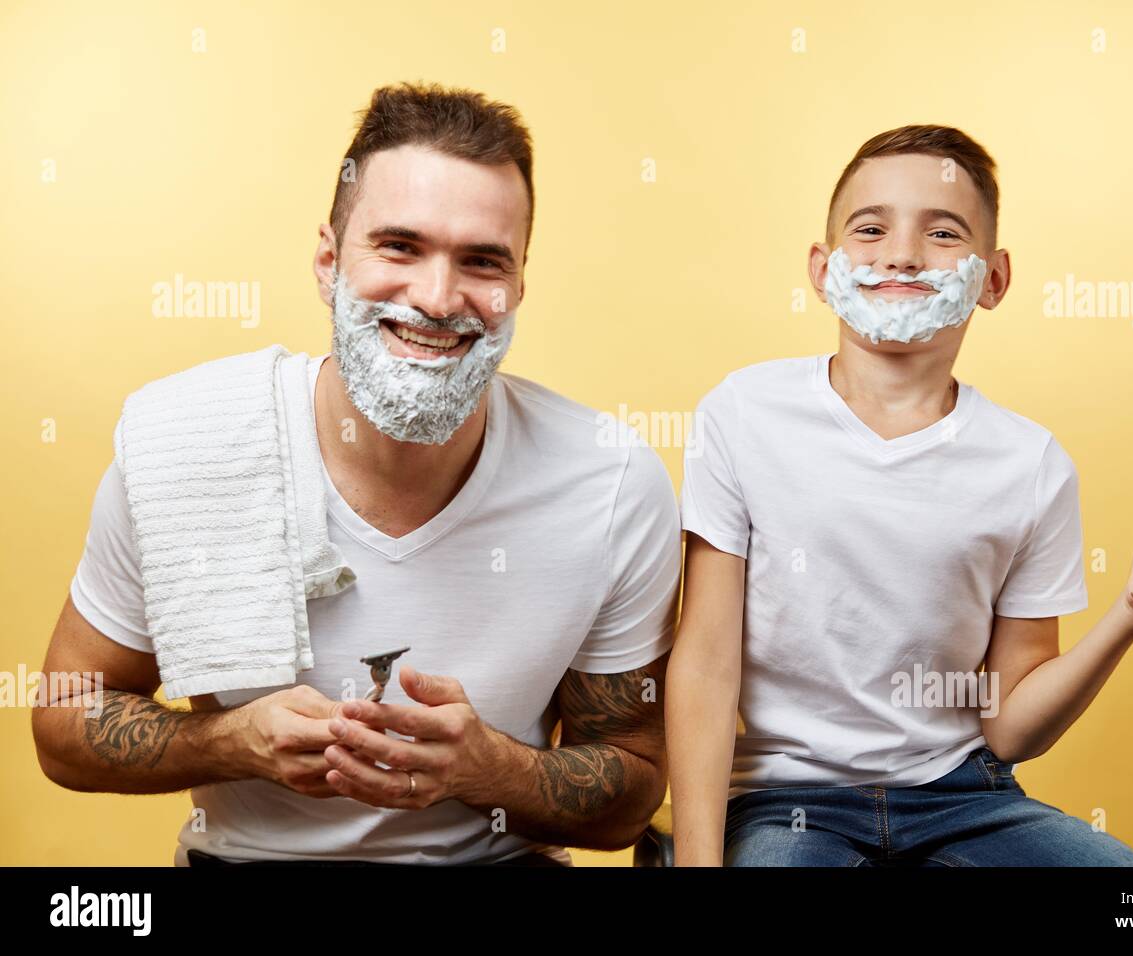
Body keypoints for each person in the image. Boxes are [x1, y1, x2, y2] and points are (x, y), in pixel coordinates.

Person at [32, 82, 680, 866]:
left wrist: (485, 770)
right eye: (400, 246)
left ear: (517, 286)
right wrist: (232, 742)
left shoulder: (608, 483)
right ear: (329, 259)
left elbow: (628, 795)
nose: (438, 299)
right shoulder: (183, 443)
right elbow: (66, 726)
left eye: (482, 261)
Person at [665, 125, 1133, 867]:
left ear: (992, 279)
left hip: (966, 797)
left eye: (943, 232)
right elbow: (703, 667)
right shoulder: (741, 413)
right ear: (823, 267)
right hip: (785, 804)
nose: (901, 252)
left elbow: (1011, 727)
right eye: (871, 228)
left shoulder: (1031, 464)